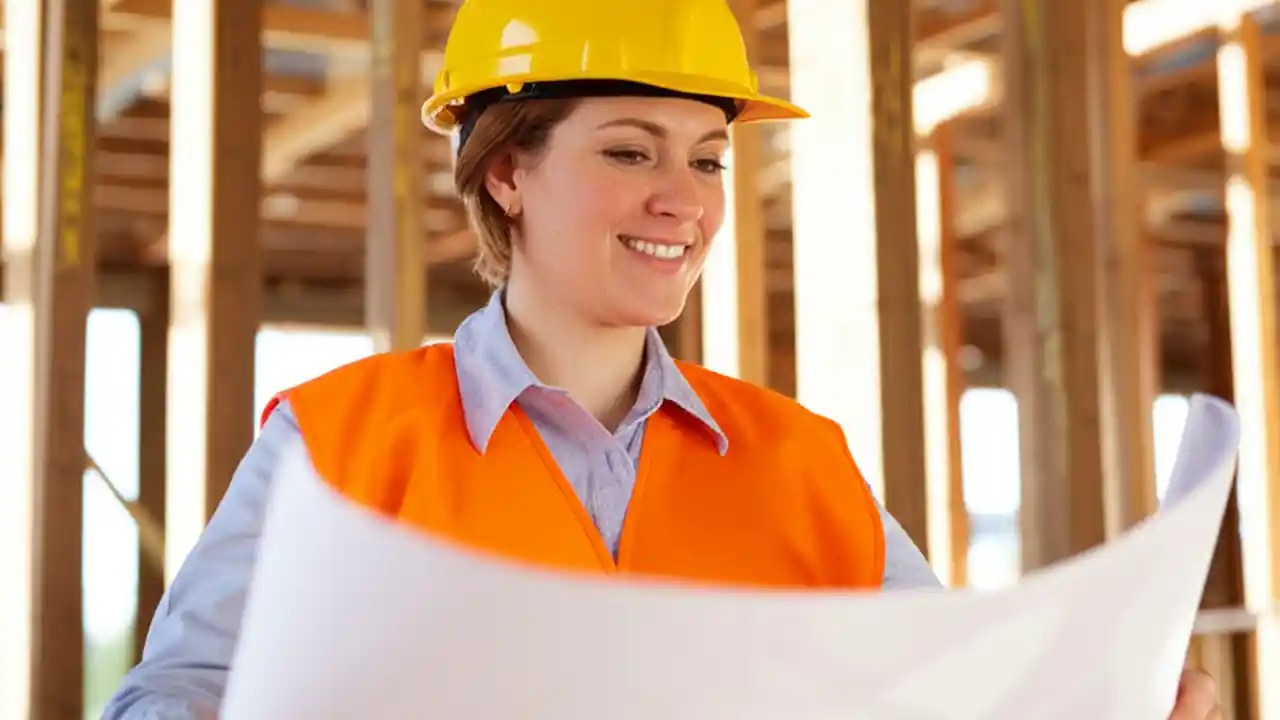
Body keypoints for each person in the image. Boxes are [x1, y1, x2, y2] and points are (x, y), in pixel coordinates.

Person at [103, 0, 1221, 717]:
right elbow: (172, 700)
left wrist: (1099, 699)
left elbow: (945, 699)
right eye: (630, 152)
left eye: (707, 159)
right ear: (507, 172)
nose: (682, 200)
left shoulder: (802, 464)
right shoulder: (339, 441)